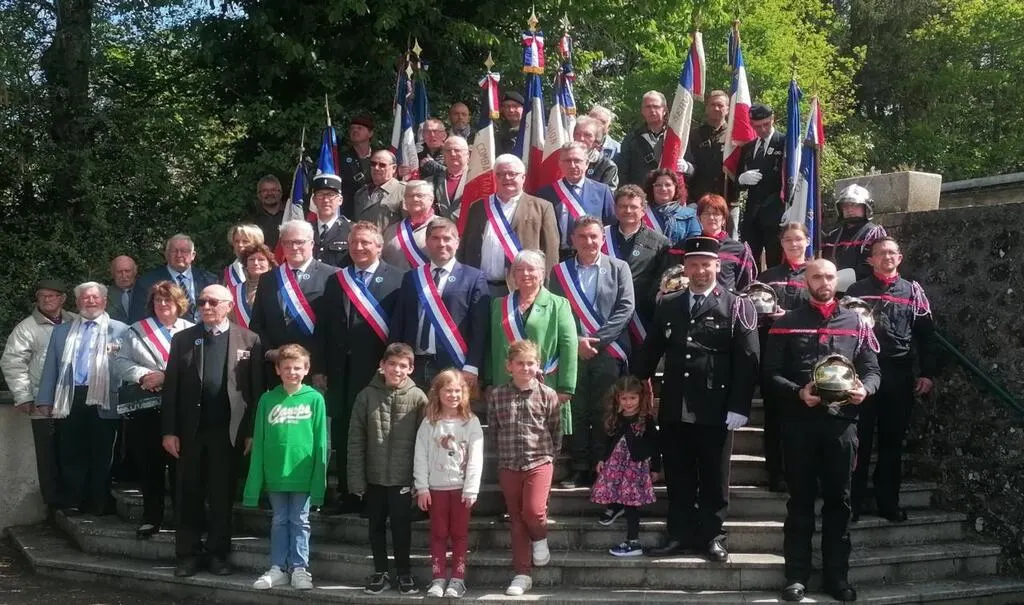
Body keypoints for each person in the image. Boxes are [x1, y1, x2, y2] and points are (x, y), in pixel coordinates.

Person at [633, 236, 759, 562]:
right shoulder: (669, 303)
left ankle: (713, 536)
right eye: (694, 265)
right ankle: (678, 534)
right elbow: (651, 350)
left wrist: (739, 406)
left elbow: (748, 360)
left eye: (706, 264)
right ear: (685, 268)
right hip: (676, 407)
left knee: (714, 479)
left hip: (716, 409)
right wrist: (633, 379)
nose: (700, 270)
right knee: (678, 475)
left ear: (718, 266)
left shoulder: (736, 305)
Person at [764, 259, 881, 603]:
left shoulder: (856, 322)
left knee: (839, 503)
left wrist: (867, 391)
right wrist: (797, 392)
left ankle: (836, 577)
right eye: (817, 276)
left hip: (842, 426)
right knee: (799, 502)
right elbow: (769, 373)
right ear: (805, 281)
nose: (824, 282)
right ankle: (796, 576)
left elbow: (873, 369)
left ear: (836, 280)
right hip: (800, 425)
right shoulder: (786, 323)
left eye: (829, 276)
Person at [161, 284, 264, 578]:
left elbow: (255, 391)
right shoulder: (183, 339)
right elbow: (172, 389)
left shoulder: (250, 339)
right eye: (202, 302)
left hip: (228, 433)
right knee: (188, 494)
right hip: (190, 432)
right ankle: (187, 555)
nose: (205, 307)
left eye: (212, 302)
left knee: (221, 496)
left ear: (229, 305)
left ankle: (218, 554)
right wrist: (168, 431)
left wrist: (252, 432)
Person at [312, 221, 405, 515]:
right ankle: (350, 492)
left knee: (378, 434)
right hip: (340, 371)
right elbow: (323, 329)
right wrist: (319, 368)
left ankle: (376, 494)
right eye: (354, 243)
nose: (359, 248)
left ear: (379, 247)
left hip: (377, 371)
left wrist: (394, 367)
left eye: (366, 243)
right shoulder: (336, 280)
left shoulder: (399, 279)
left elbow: (400, 327)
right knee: (343, 432)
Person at [847, 237, 935, 522]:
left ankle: (888, 502)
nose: (886, 257)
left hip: (898, 373)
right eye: (880, 253)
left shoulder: (913, 292)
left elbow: (927, 335)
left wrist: (927, 373)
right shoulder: (855, 291)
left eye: (892, 253)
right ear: (870, 259)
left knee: (892, 441)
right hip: (863, 372)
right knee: (858, 440)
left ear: (900, 258)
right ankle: (854, 502)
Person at [549, 216, 635, 489]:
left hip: (608, 351)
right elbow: (556, 311)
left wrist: (596, 341)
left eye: (594, 236)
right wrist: (576, 341)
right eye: (582, 237)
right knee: (577, 409)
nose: (589, 242)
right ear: (572, 240)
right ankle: (578, 467)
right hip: (573, 351)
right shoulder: (559, 272)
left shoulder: (619, 268)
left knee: (604, 410)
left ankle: (601, 465)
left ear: (602, 239)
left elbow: (625, 308)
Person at [35, 282, 129, 516]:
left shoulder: (121, 330)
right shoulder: (61, 331)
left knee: (103, 453)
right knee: (70, 452)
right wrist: (45, 399)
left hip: (106, 398)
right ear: (77, 303)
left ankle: (99, 502)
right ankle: (73, 501)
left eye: (95, 298)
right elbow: (51, 368)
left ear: (105, 301)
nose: (90, 302)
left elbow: (128, 367)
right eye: (85, 298)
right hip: (71, 396)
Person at [111, 281, 193, 539]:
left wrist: (166, 377)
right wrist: (145, 375)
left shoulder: (192, 331)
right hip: (145, 408)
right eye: (158, 300)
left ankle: (185, 518)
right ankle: (151, 517)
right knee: (149, 465)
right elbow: (119, 362)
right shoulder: (135, 331)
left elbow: (198, 368)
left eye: (168, 300)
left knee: (182, 466)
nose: (163, 304)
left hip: (181, 409)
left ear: (179, 302)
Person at [243, 343, 328, 591]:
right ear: (278, 370)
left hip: (303, 474)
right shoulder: (267, 399)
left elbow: (321, 442)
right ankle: (278, 568)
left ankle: (300, 568)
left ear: (307, 369)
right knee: (280, 520)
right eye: (287, 367)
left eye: (297, 368)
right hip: (275, 474)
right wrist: (254, 484)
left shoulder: (315, 399)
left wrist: (318, 481)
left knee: (301, 521)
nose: (292, 372)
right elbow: (259, 441)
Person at [348, 343, 427, 595]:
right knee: (376, 527)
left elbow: (425, 443)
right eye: (391, 364)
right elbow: (355, 440)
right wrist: (356, 480)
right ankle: (381, 571)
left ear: (411, 369)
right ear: (381, 365)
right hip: (374, 477)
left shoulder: (418, 399)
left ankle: (404, 573)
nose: (396, 369)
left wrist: (420, 480)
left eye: (403, 366)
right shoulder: (366, 396)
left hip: (403, 478)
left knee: (402, 528)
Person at [487, 340, 562, 597]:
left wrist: (551, 458)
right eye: (520, 363)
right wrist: (502, 458)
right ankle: (522, 573)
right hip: (509, 463)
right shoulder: (497, 396)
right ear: (509, 366)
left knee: (533, 511)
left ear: (537, 365)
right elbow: (494, 431)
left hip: (539, 461)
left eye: (530, 363)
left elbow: (555, 430)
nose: (525, 368)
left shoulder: (548, 395)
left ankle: (540, 538)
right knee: (516, 518)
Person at [1, 279, 76, 518]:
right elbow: (12, 362)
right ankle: (53, 504)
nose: (46, 300)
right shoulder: (27, 327)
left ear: (62, 298)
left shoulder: (76, 322)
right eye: (42, 296)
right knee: (48, 455)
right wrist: (23, 396)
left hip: (72, 400)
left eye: (52, 296)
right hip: (41, 402)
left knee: (72, 451)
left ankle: (74, 498)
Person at [392, 218, 489, 390]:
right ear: (427, 242)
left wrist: (472, 366)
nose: (441, 244)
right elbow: (400, 321)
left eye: (447, 238)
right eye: (435, 238)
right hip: (414, 363)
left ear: (457, 242)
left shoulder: (473, 277)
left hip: (453, 363)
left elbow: (480, 327)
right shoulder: (412, 277)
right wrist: (395, 358)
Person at [414, 370, 484, 599]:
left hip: (461, 488)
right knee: (438, 533)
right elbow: (420, 456)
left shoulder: (470, 422)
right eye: (448, 390)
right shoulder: (429, 423)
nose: (453, 395)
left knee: (460, 534)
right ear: (438, 393)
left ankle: (458, 578)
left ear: (464, 393)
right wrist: (422, 487)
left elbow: (475, 458)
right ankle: (438, 578)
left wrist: (471, 488)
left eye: (457, 390)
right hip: (436, 488)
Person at [486, 250, 577, 425]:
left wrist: (566, 387)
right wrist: (489, 381)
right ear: (513, 275)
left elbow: (569, 346)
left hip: (547, 384)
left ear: (542, 273)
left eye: (531, 269)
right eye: (520, 269)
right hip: (506, 384)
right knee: (510, 439)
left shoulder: (559, 304)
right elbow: (491, 346)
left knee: (544, 440)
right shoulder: (499, 305)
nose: (525, 274)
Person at [756, 222, 812, 491]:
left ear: (807, 241)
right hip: (774, 351)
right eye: (788, 240)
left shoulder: (816, 274)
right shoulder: (768, 276)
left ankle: (802, 472)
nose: (793, 244)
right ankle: (775, 472)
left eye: (798, 239)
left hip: (806, 352)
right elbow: (752, 312)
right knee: (774, 416)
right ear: (781, 243)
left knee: (804, 417)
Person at [458, 154, 559, 295]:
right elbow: (464, 248)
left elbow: (551, 252)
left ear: (523, 177)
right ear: (495, 178)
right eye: (501, 174)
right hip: (479, 287)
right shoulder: (478, 207)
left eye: (512, 174)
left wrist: (546, 288)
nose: (506, 178)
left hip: (521, 289)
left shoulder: (542, 207)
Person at [250, 220, 339, 378]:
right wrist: (270, 352)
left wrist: (321, 368)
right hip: (277, 368)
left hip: (316, 369)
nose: (293, 247)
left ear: (312, 243)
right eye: (288, 242)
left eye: (299, 242)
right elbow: (257, 324)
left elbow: (336, 327)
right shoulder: (268, 279)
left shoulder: (333, 276)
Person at [590, 376, 661, 557]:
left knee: (631, 505)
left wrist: (655, 468)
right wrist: (602, 459)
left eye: (632, 398)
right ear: (618, 399)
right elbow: (608, 441)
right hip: (616, 464)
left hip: (635, 467)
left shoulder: (646, 419)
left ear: (640, 398)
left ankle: (633, 541)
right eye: (624, 398)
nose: (628, 403)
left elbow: (655, 445)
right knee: (614, 489)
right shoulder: (617, 418)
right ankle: (614, 507)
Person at [602, 185, 670, 348]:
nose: (628, 211)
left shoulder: (660, 243)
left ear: (643, 210)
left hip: (641, 315)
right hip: (605, 314)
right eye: (623, 206)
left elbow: (661, 281)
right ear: (616, 209)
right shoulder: (601, 237)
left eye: (633, 207)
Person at [536, 142, 616, 262]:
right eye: (567, 161)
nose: (572, 165)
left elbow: (611, 225)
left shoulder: (602, 191)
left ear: (587, 164)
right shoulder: (545, 193)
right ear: (560, 164)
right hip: (557, 257)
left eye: (577, 160)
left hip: (591, 256)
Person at [666, 194, 756, 293]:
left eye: (716, 214)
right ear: (699, 218)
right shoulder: (685, 246)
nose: (711, 217)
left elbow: (745, 286)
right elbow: (671, 278)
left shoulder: (739, 250)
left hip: (726, 304)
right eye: (706, 213)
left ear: (724, 219)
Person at [737, 103, 786, 268]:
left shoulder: (785, 142)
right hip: (752, 215)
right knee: (750, 262)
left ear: (773, 119)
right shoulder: (749, 148)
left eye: (766, 124)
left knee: (775, 262)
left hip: (776, 213)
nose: (762, 130)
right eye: (757, 126)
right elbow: (737, 176)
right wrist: (741, 179)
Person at [130, 234, 218, 323]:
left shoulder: (210, 280)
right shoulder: (147, 282)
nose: (179, 255)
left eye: (184, 251)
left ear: (193, 255)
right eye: (173, 251)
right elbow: (139, 319)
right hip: (166, 334)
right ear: (166, 254)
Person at [822, 184, 888, 288]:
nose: (849, 209)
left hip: (864, 291)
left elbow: (878, 266)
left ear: (866, 207)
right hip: (833, 293)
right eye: (845, 206)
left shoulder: (874, 234)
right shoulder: (832, 237)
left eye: (855, 205)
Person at [682, 90, 734, 212]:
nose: (716, 108)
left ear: (727, 109)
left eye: (720, 105)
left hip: (728, 200)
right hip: (698, 200)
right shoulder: (693, 135)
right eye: (712, 105)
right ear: (706, 108)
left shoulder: (734, 136)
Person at [616, 91, 668, 187]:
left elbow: (692, 169)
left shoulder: (675, 137)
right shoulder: (631, 139)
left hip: (668, 195)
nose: (652, 110)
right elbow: (623, 173)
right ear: (642, 111)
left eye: (656, 106)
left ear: (664, 110)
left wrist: (686, 167)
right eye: (648, 107)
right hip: (640, 197)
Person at [381, 180, 435, 271]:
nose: (415, 199)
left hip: (428, 284)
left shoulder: (443, 227)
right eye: (410, 196)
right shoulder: (390, 231)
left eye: (420, 195)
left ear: (431, 199)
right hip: (396, 284)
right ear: (405, 201)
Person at [643, 168, 701, 245]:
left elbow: (695, 244)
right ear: (651, 188)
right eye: (658, 185)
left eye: (668, 185)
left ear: (676, 187)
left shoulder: (690, 215)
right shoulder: (642, 213)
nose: (663, 188)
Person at [352, 150, 407, 231]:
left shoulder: (404, 191)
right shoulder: (361, 193)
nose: (376, 168)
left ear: (394, 168)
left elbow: (410, 224)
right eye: (373, 164)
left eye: (382, 165)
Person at [309, 173, 353, 268]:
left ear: (340, 200)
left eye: (331, 195)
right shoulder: (305, 229)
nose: (326, 200)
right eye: (320, 195)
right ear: (314, 200)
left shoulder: (352, 230)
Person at [229, 243, 276, 329]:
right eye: (251, 259)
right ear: (245, 264)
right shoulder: (233, 292)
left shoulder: (278, 288)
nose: (256, 263)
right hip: (241, 339)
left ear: (269, 265)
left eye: (261, 259)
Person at [422, 136, 469, 221]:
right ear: (444, 155)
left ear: (467, 154)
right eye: (448, 151)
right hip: (439, 231)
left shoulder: (476, 179)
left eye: (457, 150)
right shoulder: (430, 182)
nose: (452, 154)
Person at [340, 115, 375, 217]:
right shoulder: (341, 158)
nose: (355, 131)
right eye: (352, 128)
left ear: (370, 133)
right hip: (349, 211)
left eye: (359, 128)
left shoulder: (380, 156)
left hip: (374, 210)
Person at [573, 116, 619, 188]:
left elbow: (607, 196)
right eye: (577, 134)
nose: (581, 138)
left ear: (597, 141)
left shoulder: (607, 167)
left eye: (587, 135)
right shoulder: (561, 159)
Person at [249, 175, 286, 249]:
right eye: (265, 191)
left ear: (280, 193)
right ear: (259, 195)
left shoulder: (291, 214)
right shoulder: (251, 219)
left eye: (273, 190)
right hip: (261, 259)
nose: (269, 193)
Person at [108, 256, 138, 324]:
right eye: (119, 272)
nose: (124, 275)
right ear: (113, 273)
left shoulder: (146, 292)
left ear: (135, 271)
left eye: (127, 271)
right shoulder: (103, 295)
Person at [496, 92, 524, 156]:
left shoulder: (533, 132)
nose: (511, 110)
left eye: (515, 106)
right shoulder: (496, 135)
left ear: (523, 108)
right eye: (507, 106)